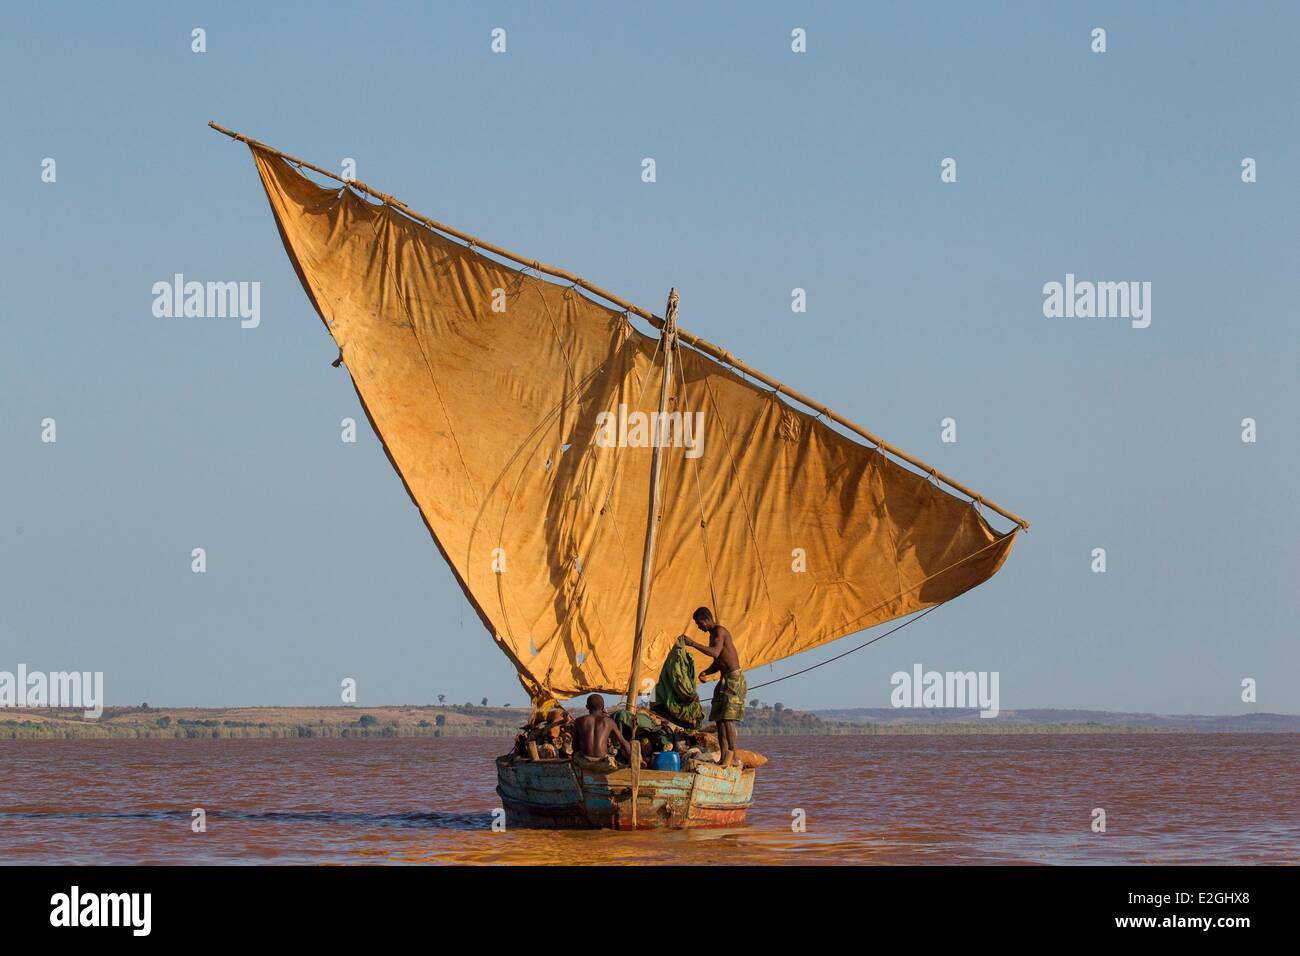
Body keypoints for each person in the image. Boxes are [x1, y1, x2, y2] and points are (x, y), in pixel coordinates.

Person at [678, 606, 746, 768]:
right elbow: (718, 661)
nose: (699, 627)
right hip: (723, 679)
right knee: (719, 720)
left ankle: (734, 757)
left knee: (728, 719)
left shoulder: (720, 631)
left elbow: (715, 652)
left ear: (705, 620)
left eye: (698, 624)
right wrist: (706, 672)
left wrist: (692, 643)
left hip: (734, 679)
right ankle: (724, 757)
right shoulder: (712, 636)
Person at [572, 694, 632, 771]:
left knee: (576, 755)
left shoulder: (579, 721)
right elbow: (623, 743)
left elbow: (575, 747)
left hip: (584, 763)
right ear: (603, 707)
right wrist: (634, 757)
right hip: (603, 764)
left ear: (587, 707)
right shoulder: (609, 722)